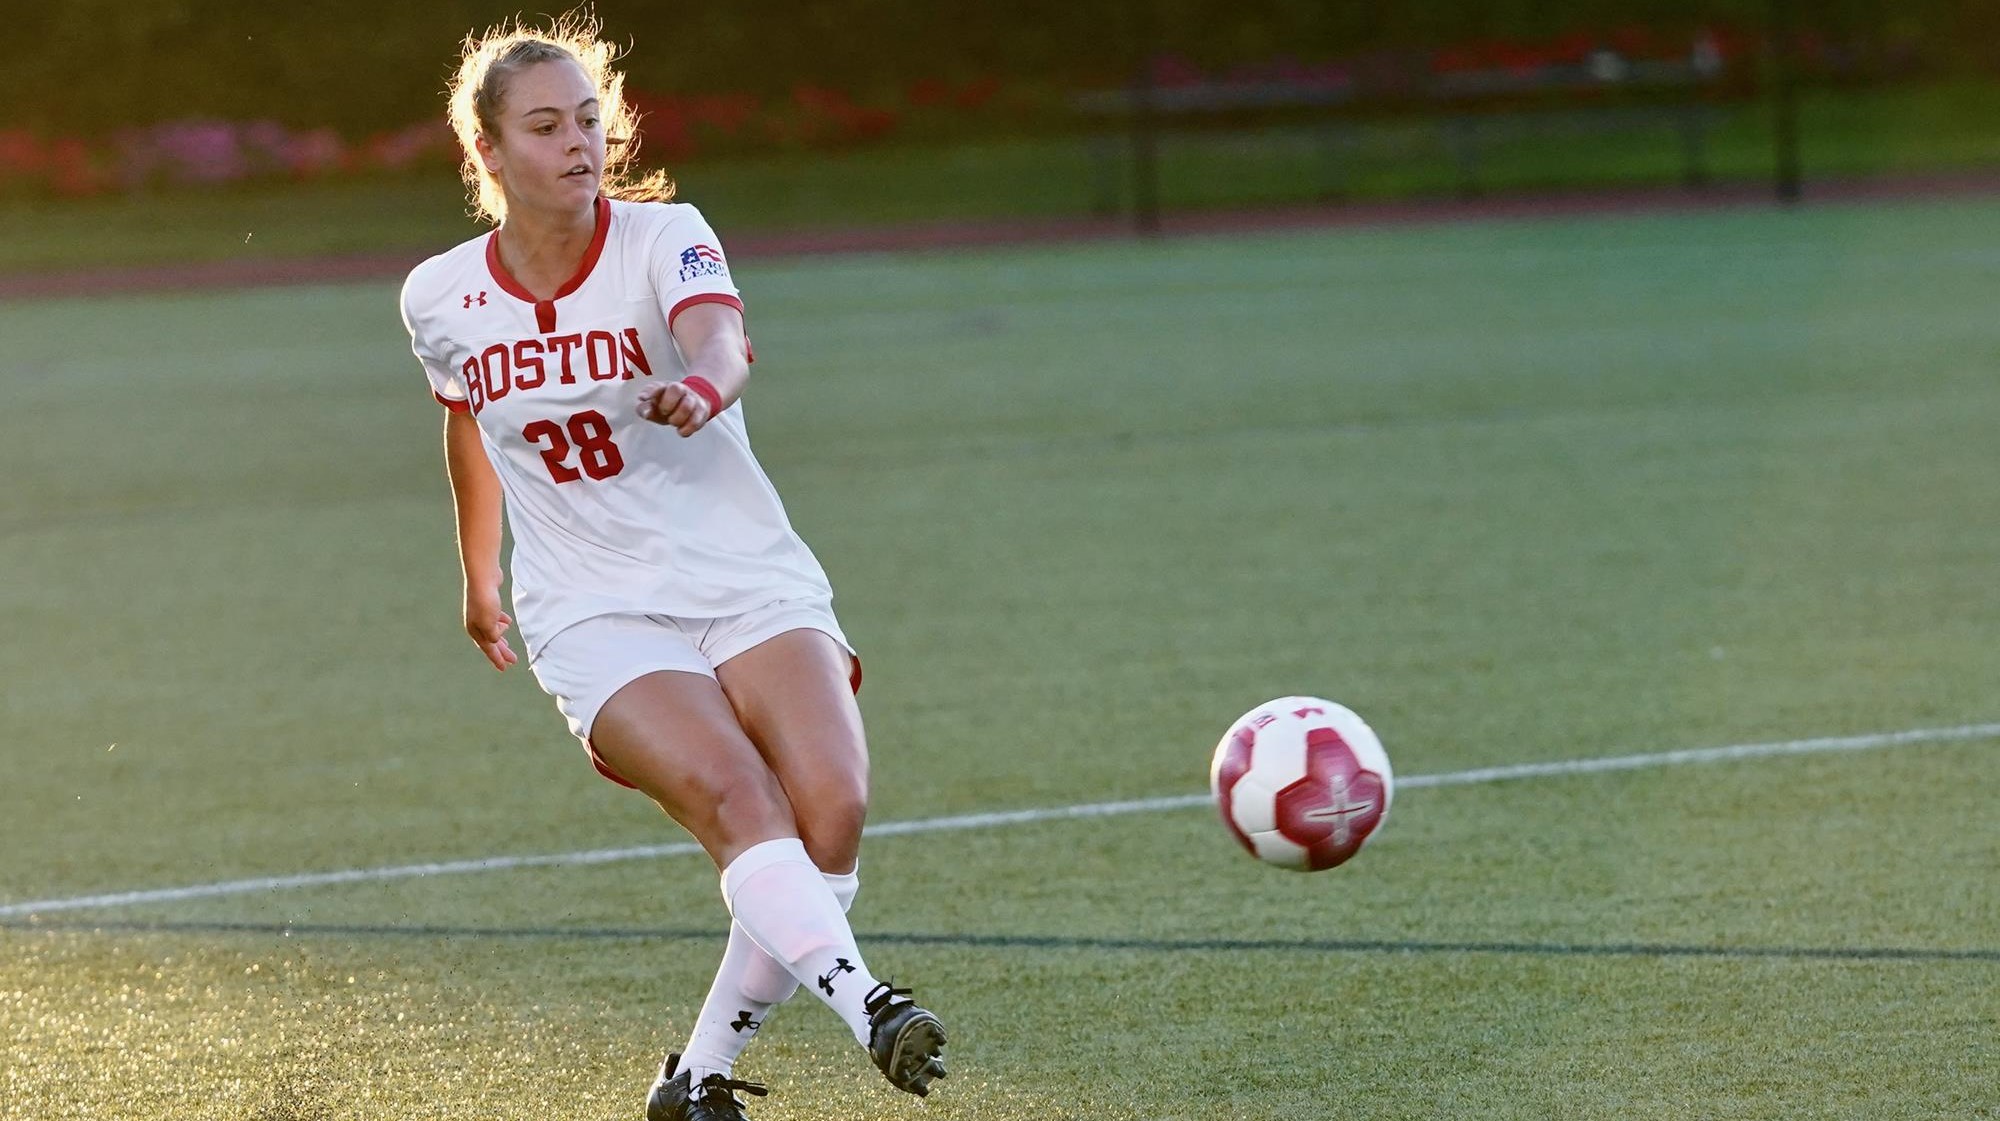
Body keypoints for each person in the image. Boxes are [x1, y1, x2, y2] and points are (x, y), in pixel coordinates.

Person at [397, 16, 947, 1120]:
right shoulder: (437, 294)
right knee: (740, 797)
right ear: (488, 154)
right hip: (592, 608)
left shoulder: (666, 237)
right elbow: (463, 424)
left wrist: (699, 389)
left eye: (588, 119)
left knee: (829, 809)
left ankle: (693, 1079)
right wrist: (477, 573)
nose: (577, 143)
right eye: (544, 126)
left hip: (743, 573)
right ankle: (872, 1004)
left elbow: (721, 342)